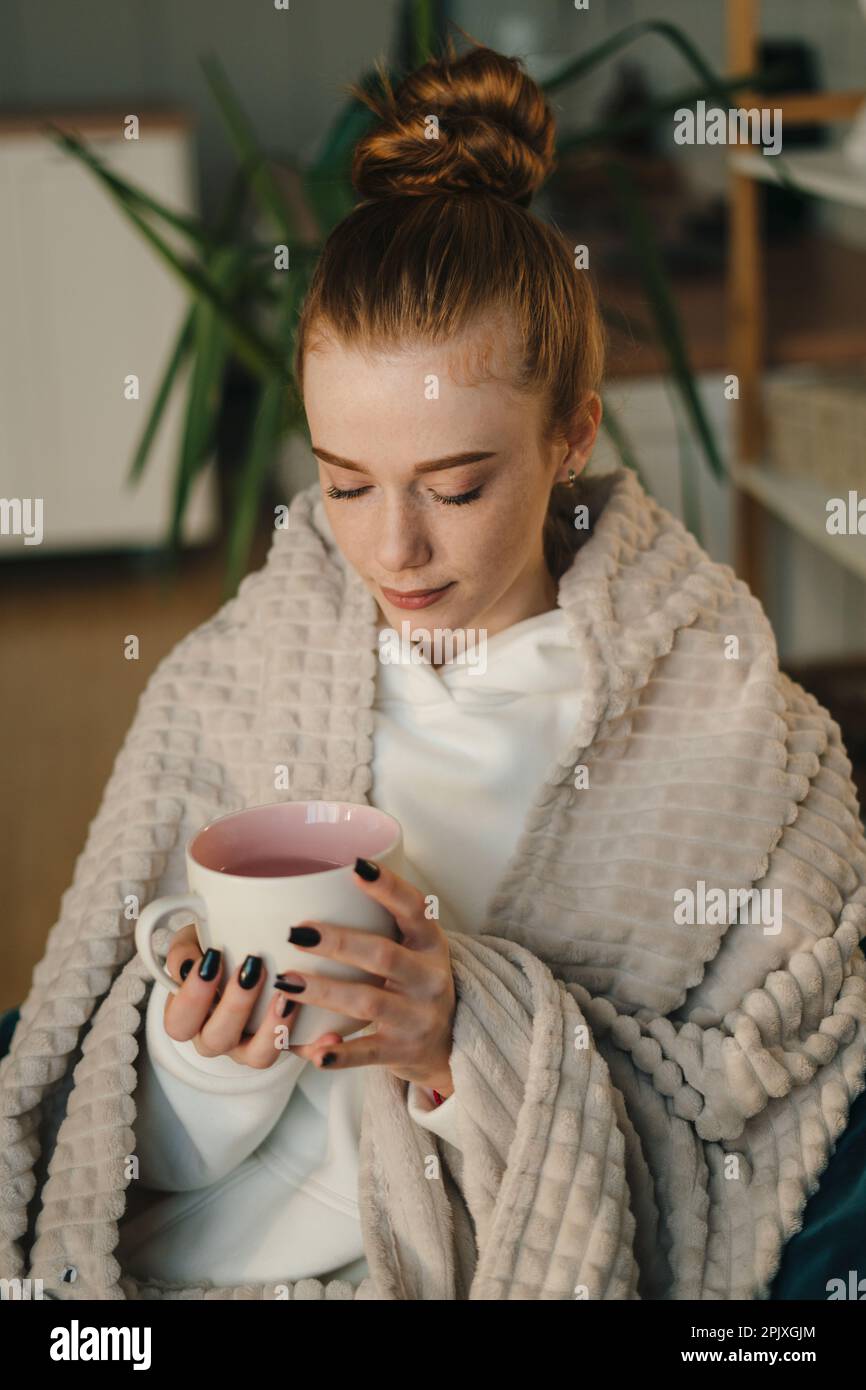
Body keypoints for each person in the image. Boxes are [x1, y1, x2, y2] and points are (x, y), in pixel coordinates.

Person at [5, 38, 866, 1302]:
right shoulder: (227, 686)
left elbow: (722, 1132)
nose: (391, 547)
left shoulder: (731, 738)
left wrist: (467, 1038)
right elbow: (112, 1144)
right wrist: (210, 1064)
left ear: (570, 432)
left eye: (455, 486)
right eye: (343, 482)